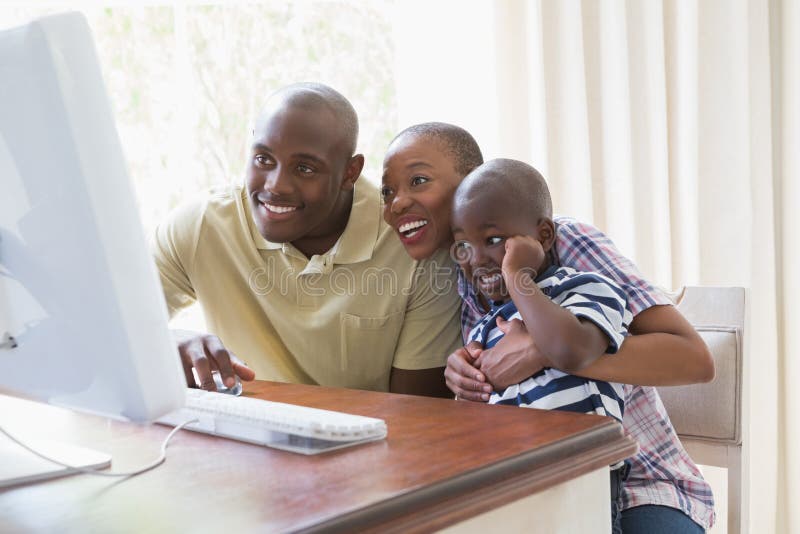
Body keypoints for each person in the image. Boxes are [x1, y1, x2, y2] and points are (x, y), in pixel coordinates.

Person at [381, 122, 715, 532]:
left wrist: (543, 349)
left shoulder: (562, 243)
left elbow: (694, 359)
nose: (398, 203)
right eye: (388, 191)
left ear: (470, 182)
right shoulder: (458, 271)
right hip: (531, 487)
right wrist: (464, 373)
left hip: (638, 480)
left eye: (419, 181)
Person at [152, 83, 461, 397]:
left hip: (368, 441)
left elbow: (419, 416)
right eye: (263, 160)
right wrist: (165, 342)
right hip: (246, 439)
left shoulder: (411, 243)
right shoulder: (201, 225)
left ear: (349, 172)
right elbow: (106, 331)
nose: (276, 186)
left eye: (304, 168)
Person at [452, 158, 632, 531]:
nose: (477, 259)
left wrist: (516, 276)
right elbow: (474, 421)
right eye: (464, 246)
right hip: (508, 487)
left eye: (493, 240)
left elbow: (572, 350)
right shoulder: (485, 328)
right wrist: (464, 383)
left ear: (543, 237)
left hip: (582, 482)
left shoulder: (586, 288)